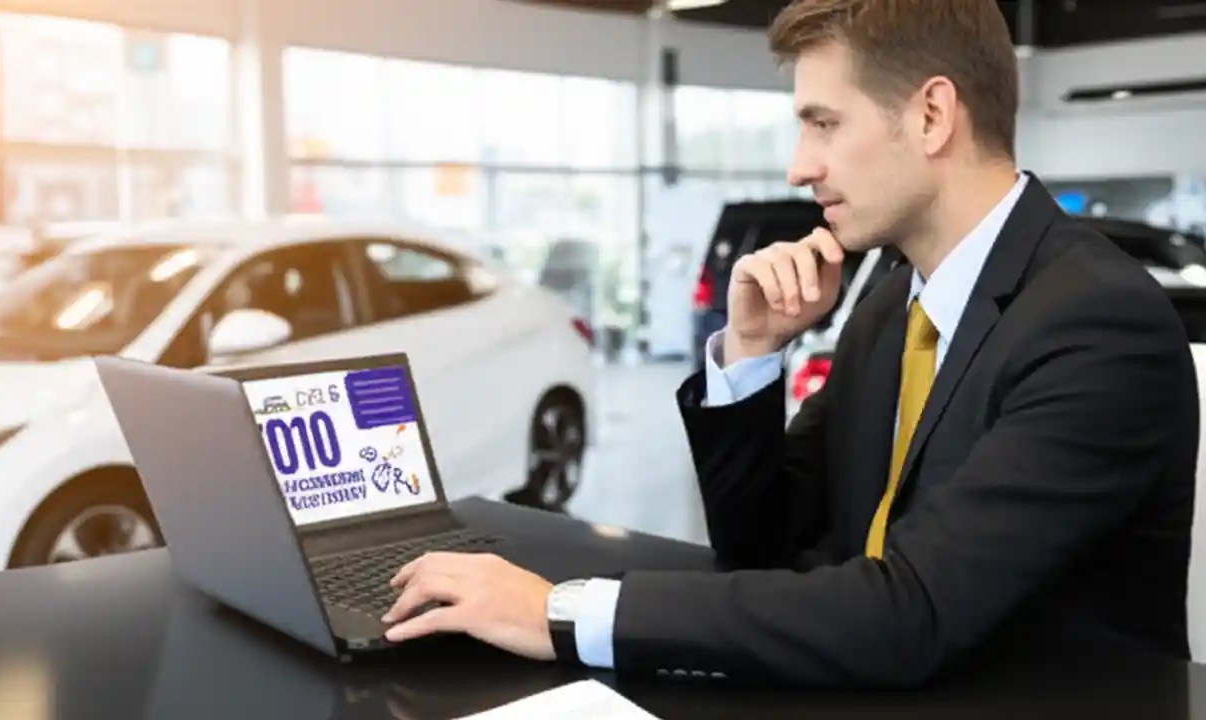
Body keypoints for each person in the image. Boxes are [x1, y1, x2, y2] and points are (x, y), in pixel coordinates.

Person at [379, 0, 1199, 686]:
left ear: (932, 115)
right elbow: (763, 548)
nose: (798, 167)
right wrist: (751, 354)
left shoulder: (1098, 324)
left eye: (824, 124)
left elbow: (911, 613)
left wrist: (557, 612)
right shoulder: (891, 303)